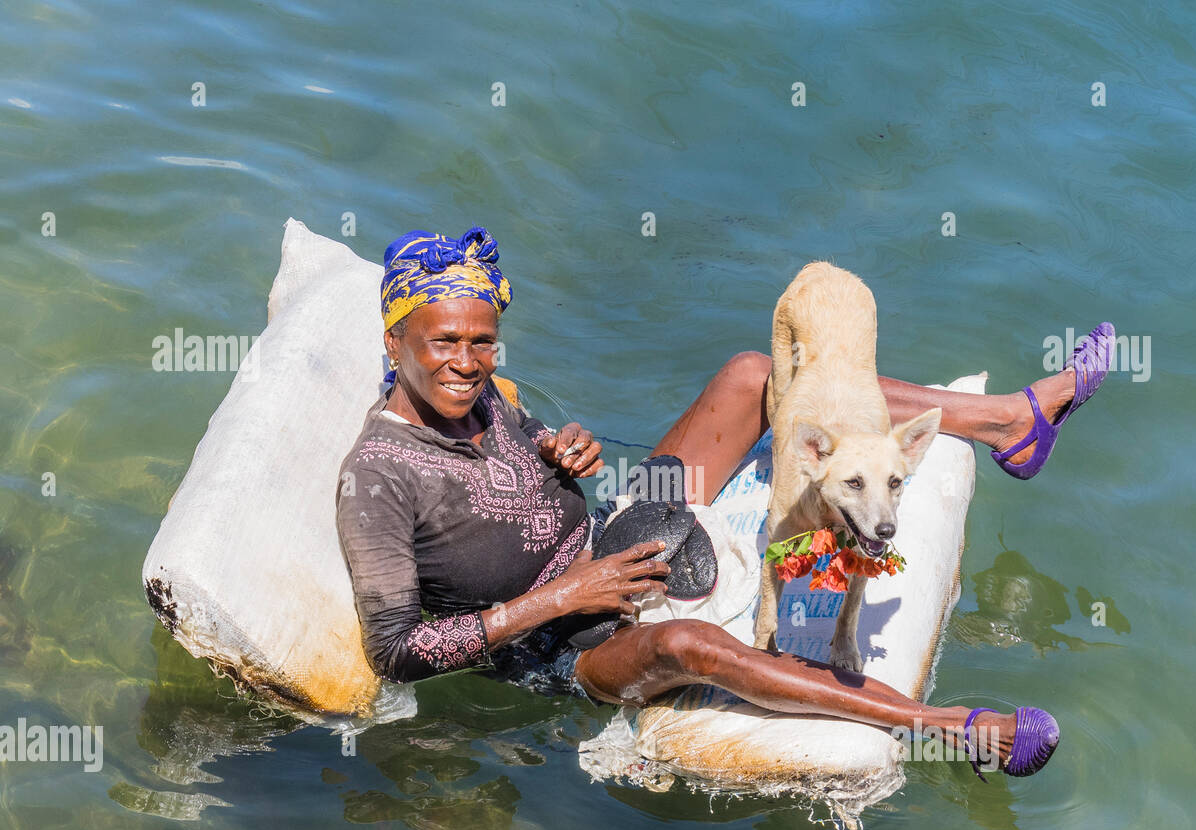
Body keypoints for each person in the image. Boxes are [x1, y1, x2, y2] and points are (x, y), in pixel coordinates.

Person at [337, 227, 1109, 778]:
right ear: (394, 342)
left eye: (482, 341)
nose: (467, 363)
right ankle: (949, 728)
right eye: (444, 343)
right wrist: (564, 599)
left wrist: (558, 447)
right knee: (687, 648)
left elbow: (516, 452)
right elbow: (397, 652)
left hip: (619, 535)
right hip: (559, 651)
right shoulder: (378, 477)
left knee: (752, 376)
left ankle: (1009, 421)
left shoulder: (482, 398)